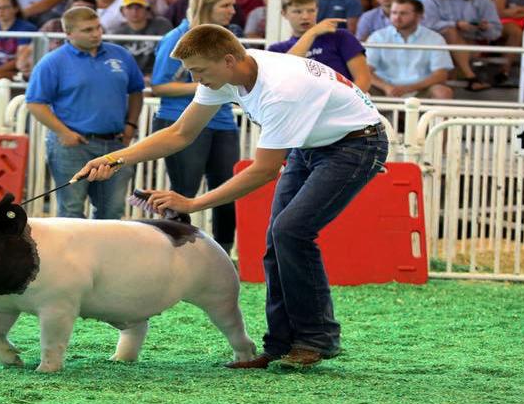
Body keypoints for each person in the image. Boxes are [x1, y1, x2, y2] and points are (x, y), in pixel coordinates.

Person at [75, 24, 387, 368]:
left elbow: (264, 170)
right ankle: (281, 345)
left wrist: (193, 203)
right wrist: (113, 158)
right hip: (311, 143)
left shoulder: (281, 90)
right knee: (278, 239)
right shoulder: (224, 76)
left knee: (291, 232)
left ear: (227, 60)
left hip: (357, 144)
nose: (196, 79)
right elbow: (181, 132)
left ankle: (316, 339)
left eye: (199, 71)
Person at [25, 6, 144, 219]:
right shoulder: (53, 62)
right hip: (73, 144)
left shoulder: (121, 55)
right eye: (88, 30)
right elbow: (35, 103)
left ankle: (105, 253)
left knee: (113, 210)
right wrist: (63, 132)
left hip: (115, 143)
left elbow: (136, 90)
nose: (96, 33)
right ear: (68, 34)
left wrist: (131, 125)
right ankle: (74, 254)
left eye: (98, 27)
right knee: (71, 210)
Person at [150, 0, 242, 254]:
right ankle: (174, 256)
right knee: (183, 192)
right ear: (207, 7)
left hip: (223, 122)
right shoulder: (176, 38)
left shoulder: (225, 40)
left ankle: (224, 256)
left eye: (233, 5)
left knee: (227, 194)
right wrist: (207, 84)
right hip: (181, 120)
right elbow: (159, 85)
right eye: (226, 5)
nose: (232, 11)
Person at [269, 0, 372, 93]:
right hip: (301, 105)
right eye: (297, 11)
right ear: (284, 14)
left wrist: (345, 105)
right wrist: (312, 33)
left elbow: (364, 79)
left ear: (317, 10)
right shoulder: (276, 50)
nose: (305, 16)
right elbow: (284, 75)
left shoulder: (341, 36)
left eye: (311, 11)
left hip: (345, 103)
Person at [367, 0, 455, 98]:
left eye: (403, 13)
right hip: (384, 89)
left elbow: (440, 75)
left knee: (442, 92)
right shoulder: (378, 37)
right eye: (394, 13)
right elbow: (365, 71)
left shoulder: (435, 39)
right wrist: (387, 87)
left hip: (420, 90)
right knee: (361, 90)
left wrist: (408, 88)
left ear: (419, 16)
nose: (397, 17)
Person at [422, 0, 502, 91]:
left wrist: (485, 28)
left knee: (451, 54)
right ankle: (470, 77)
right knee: (450, 32)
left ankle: (446, 93)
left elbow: (496, 31)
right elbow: (426, 24)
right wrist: (456, 24)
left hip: (471, 44)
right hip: (439, 45)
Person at [110, 0, 173, 80]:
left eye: (139, 7)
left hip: (160, 77)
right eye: (129, 7)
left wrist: (153, 76)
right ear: (122, 11)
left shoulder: (162, 25)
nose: (134, 11)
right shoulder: (116, 34)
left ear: (147, 10)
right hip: (130, 79)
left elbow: (170, 55)